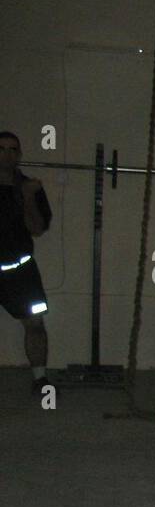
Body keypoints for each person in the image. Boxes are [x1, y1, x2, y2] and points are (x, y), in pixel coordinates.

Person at [0, 131, 53, 396]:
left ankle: (40, 380)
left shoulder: (29, 187)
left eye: (13, 150)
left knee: (35, 325)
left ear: (19, 155)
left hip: (21, 271)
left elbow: (37, 229)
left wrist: (29, 196)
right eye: (1, 149)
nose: (7, 155)